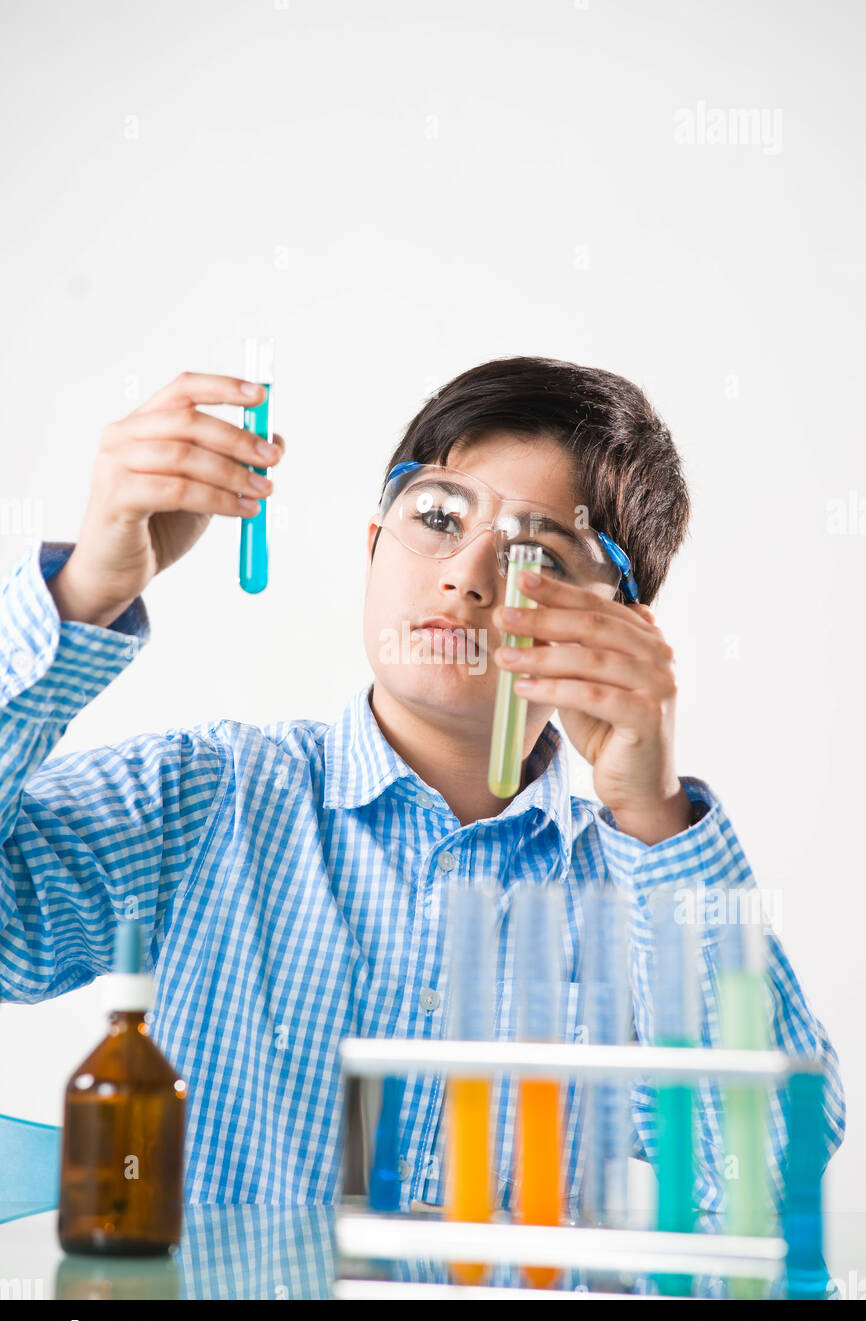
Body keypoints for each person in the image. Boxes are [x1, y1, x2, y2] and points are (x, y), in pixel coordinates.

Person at [0, 357, 845, 1233]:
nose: (467, 577)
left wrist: (658, 818)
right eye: (439, 517)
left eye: (540, 553)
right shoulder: (209, 798)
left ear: (620, 632)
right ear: (373, 548)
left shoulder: (635, 904)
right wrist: (84, 592)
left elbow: (774, 1182)